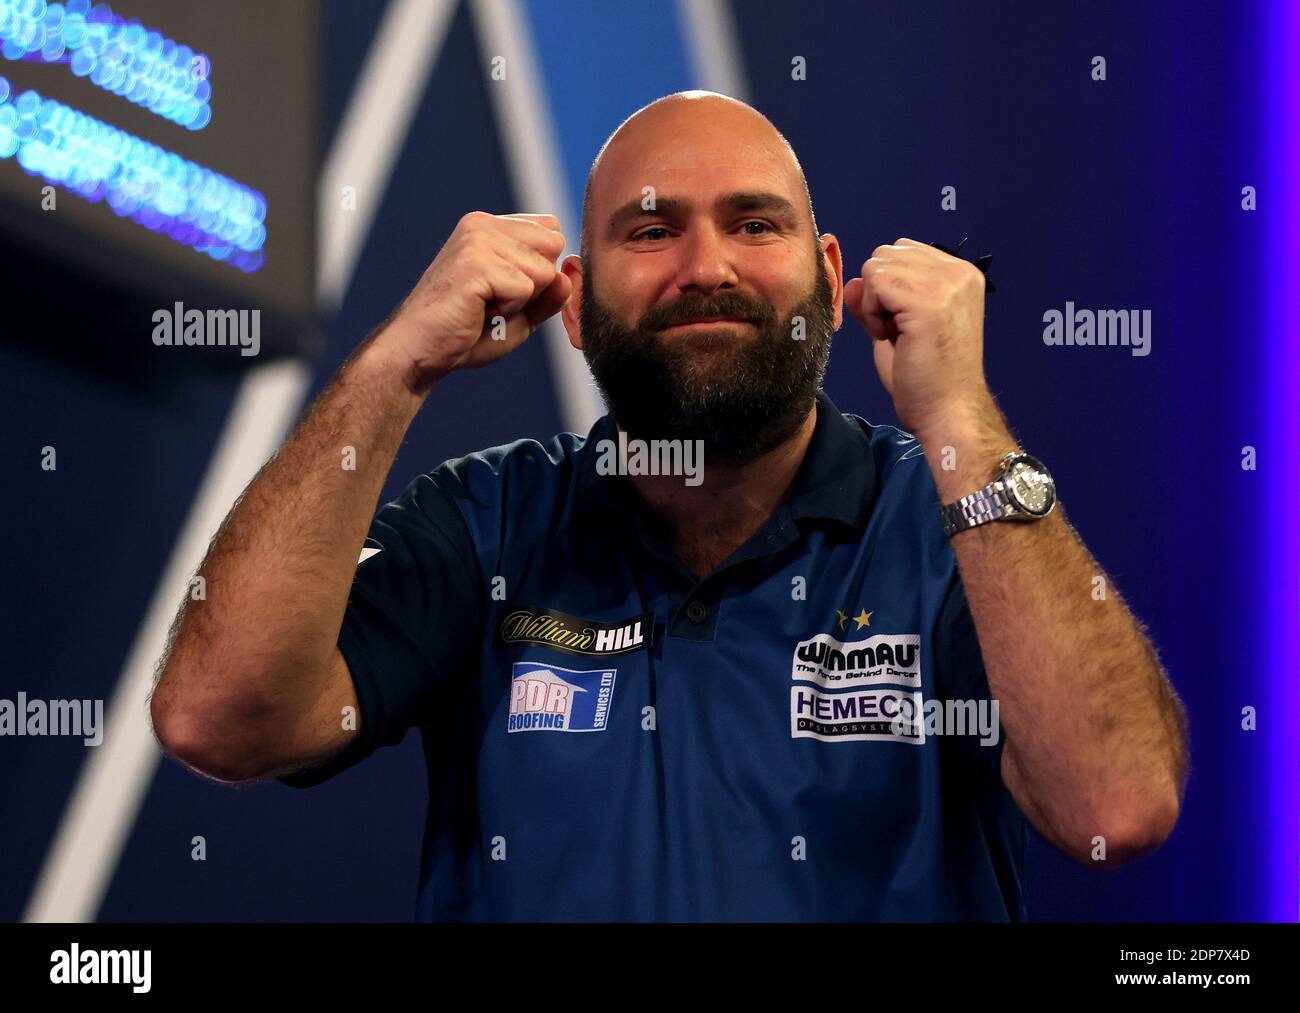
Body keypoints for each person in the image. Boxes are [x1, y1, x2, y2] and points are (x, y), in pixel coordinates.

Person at [150, 90, 1188, 921]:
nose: (706, 267)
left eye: (753, 222)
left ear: (830, 281)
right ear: (575, 299)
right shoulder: (492, 519)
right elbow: (217, 718)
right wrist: (393, 368)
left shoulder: (949, 524)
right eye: (651, 230)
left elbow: (1117, 804)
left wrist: (960, 416)